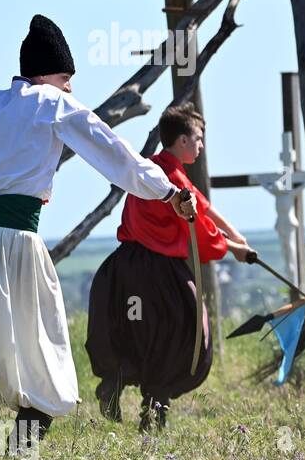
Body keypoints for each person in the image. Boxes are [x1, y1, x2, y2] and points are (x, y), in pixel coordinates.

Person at [0, 14, 194, 448]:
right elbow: (115, 153)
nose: (70, 87)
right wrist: (168, 191)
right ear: (44, 74)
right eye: (65, 76)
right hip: (13, 243)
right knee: (44, 350)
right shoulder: (53, 104)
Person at [86, 103, 254, 430]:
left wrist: (237, 237)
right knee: (182, 333)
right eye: (198, 138)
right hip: (158, 271)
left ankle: (116, 382)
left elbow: (202, 209)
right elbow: (200, 230)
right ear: (182, 141)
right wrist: (234, 249)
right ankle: (155, 409)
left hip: (123, 267)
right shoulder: (172, 177)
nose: (202, 145)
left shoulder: (152, 168)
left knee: (135, 330)